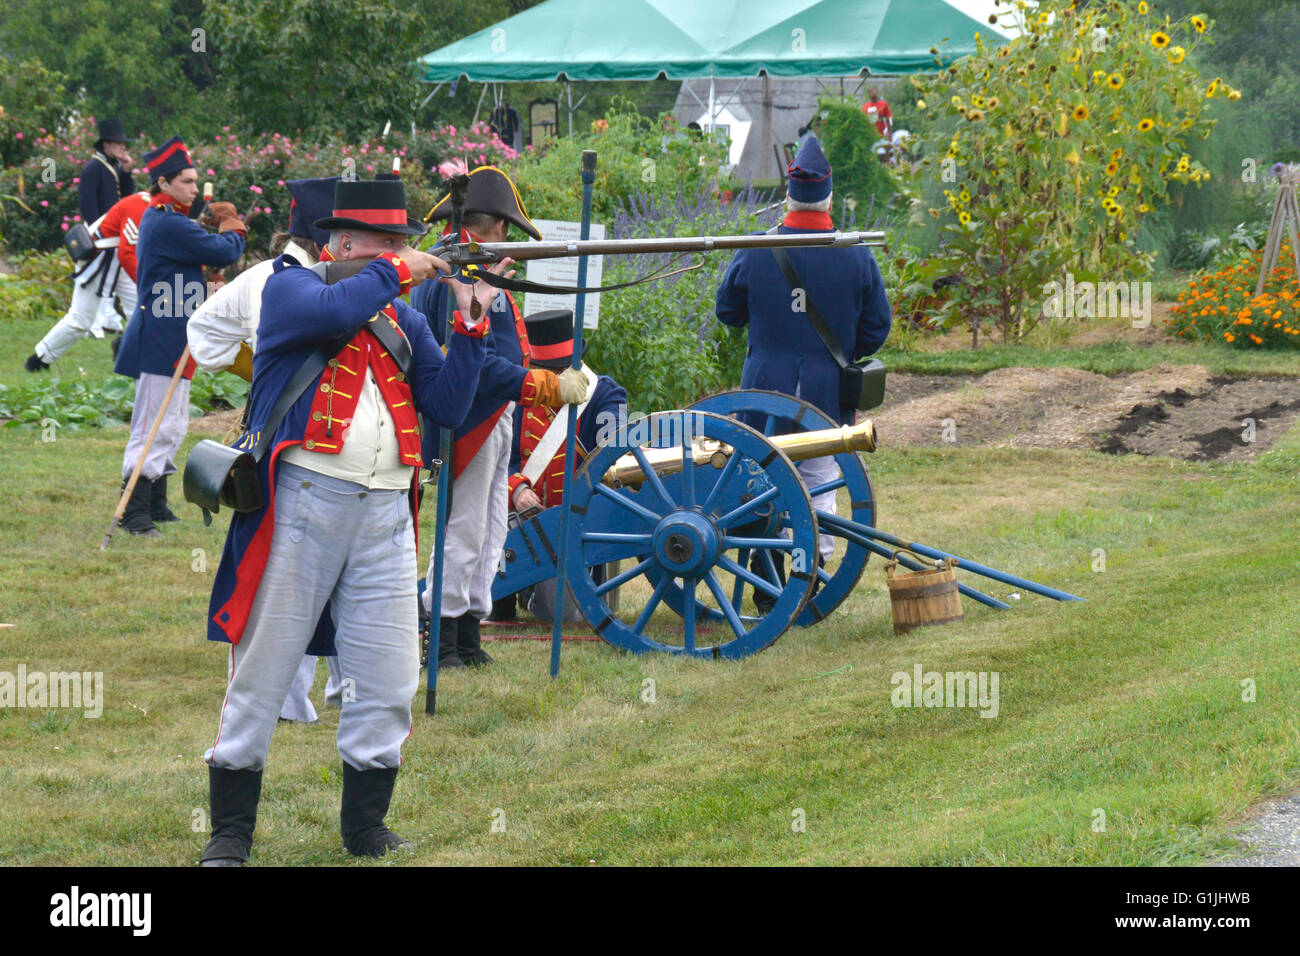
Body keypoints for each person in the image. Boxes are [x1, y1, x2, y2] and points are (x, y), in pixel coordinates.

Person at [200, 178, 496, 865]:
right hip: (302, 505)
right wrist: (401, 270)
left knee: (387, 677)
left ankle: (366, 829)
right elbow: (336, 308)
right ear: (338, 244)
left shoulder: (402, 320)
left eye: (402, 242)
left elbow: (447, 409)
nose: (400, 252)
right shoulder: (290, 289)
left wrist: (472, 323)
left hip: (387, 514)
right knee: (262, 670)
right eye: (384, 242)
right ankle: (229, 834)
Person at [412, 165, 589, 669]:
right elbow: (468, 360)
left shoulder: (477, 266)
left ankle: (468, 630)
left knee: (489, 530)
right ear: (491, 225)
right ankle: (443, 638)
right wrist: (545, 385)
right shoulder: (450, 271)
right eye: (504, 226)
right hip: (466, 420)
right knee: (464, 532)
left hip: (494, 417)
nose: (508, 236)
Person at [188, 177, 343, 724]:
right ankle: (279, 697)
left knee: (339, 567)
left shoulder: (332, 278)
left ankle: (336, 689)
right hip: (282, 432)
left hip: (340, 437)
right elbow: (202, 330)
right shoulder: (271, 280)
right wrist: (256, 368)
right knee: (282, 568)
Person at [715, 136, 891, 603]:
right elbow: (878, 326)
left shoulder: (756, 248)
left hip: (763, 386)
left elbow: (727, 311)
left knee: (763, 476)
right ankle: (805, 571)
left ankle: (765, 568)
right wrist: (840, 350)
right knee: (815, 483)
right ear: (829, 197)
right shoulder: (855, 252)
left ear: (788, 197)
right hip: (826, 389)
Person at [114, 137, 247, 538]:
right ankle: (133, 512)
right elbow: (226, 250)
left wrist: (204, 282)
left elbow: (184, 271)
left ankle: (155, 503)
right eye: (187, 182)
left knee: (171, 424)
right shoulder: (165, 220)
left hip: (174, 334)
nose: (194, 188)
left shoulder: (169, 220)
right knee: (152, 425)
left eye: (194, 181)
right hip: (159, 337)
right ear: (164, 184)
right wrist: (232, 224)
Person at [493, 308, 627, 623]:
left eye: (559, 371)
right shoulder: (521, 397)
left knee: (564, 617)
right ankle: (501, 600)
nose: (553, 381)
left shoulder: (603, 395)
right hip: (523, 514)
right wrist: (518, 490)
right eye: (546, 373)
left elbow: (613, 453)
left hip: (578, 521)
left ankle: (534, 594)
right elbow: (502, 458)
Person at [25, 184, 150, 372]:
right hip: (100, 258)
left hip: (117, 258)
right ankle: (40, 359)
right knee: (80, 320)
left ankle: (126, 348)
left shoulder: (160, 205)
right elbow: (127, 251)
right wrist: (147, 280)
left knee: (143, 311)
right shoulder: (141, 204)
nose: (193, 190)